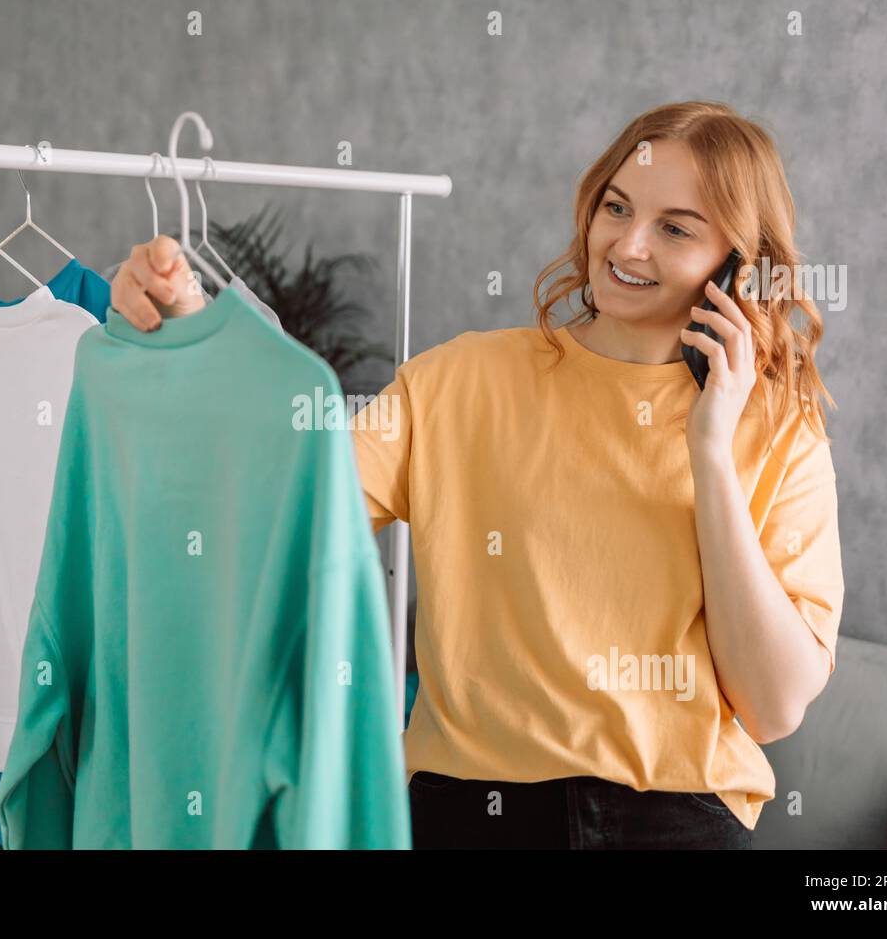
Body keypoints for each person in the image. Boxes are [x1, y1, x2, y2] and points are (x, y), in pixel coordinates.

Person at [105, 100, 844, 849]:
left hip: (680, 824)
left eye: (676, 228)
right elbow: (275, 523)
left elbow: (774, 705)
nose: (627, 243)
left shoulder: (780, 428)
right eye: (616, 207)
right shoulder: (457, 382)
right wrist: (191, 333)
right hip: (468, 815)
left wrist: (712, 453)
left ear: (740, 266)